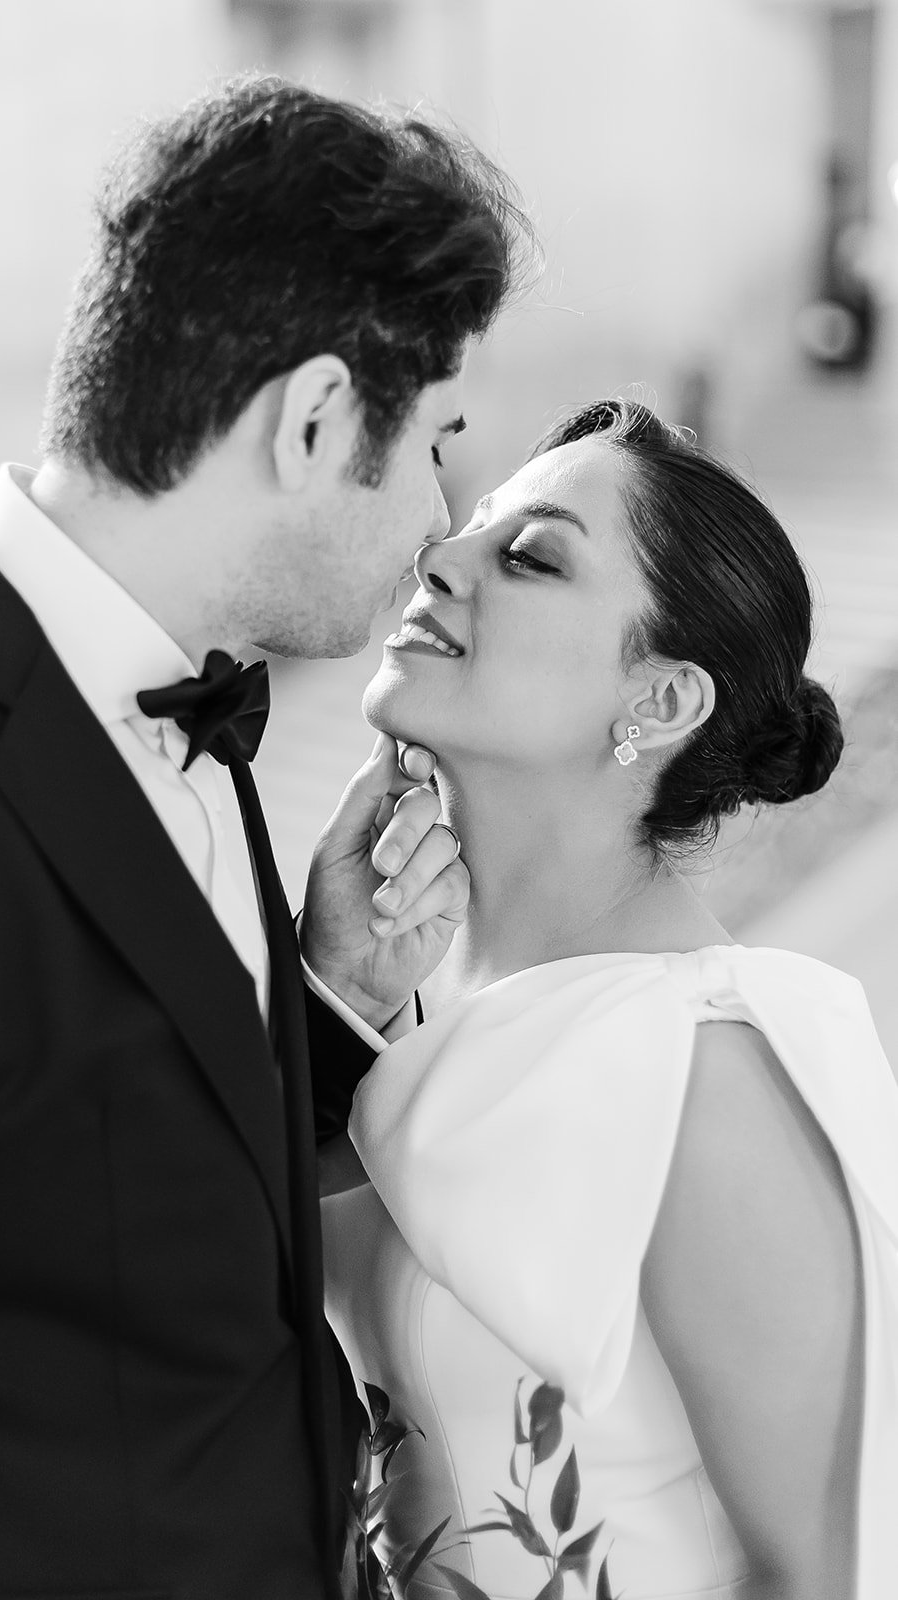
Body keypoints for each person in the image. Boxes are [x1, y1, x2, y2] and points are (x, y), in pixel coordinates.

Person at [0, 76, 531, 1599]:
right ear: (315, 419)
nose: (439, 514)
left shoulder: (196, 702)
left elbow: (104, 1186)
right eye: (435, 445)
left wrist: (324, 1000)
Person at [321, 398, 898, 1600]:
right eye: (468, 529)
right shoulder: (422, 1020)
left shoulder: (705, 1070)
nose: (437, 556)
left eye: (528, 556)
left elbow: (827, 1574)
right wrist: (326, 990)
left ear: (661, 701)